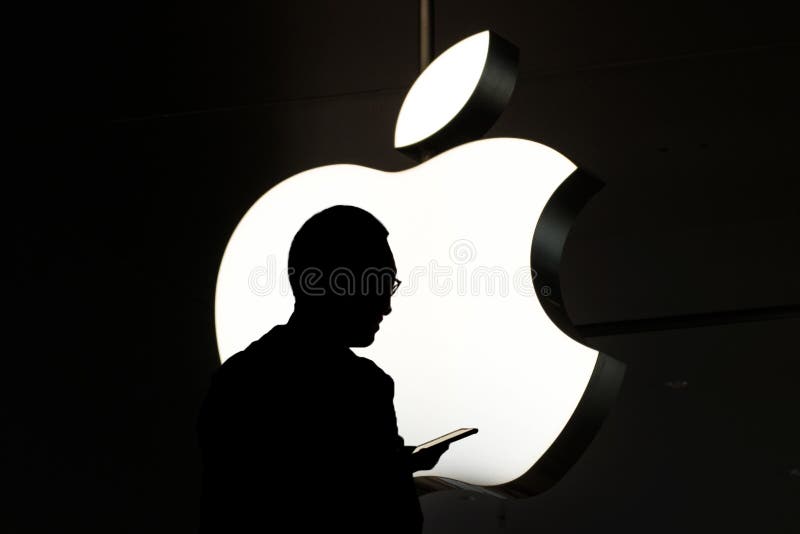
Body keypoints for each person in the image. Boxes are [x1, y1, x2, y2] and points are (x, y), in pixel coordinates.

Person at [197, 205, 449, 533]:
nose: (386, 305)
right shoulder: (362, 387)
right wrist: (388, 470)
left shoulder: (235, 378)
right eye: (379, 282)